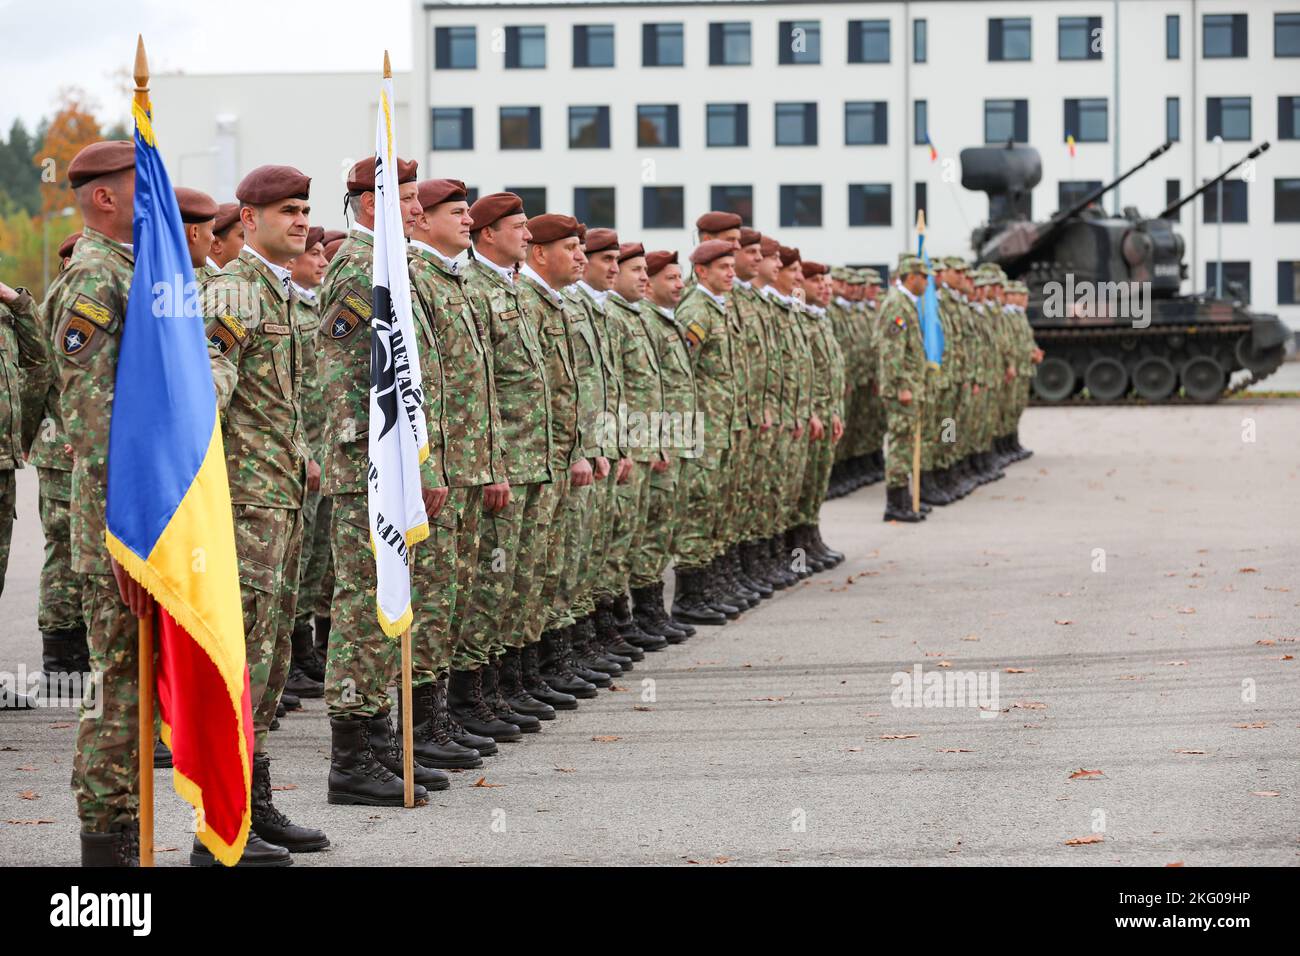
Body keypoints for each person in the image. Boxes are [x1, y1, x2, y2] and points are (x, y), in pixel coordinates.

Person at [196, 164, 328, 865]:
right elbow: (209, 390)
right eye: (286, 211)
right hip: (243, 505)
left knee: (269, 664)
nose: (301, 221)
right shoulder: (236, 292)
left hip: (280, 500)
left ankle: (253, 800)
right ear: (247, 220)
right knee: (238, 658)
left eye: (305, 209)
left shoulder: (278, 293)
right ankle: (219, 825)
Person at [316, 154, 448, 805]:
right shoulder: (355, 272)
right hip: (363, 473)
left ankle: (378, 742)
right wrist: (387, 466)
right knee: (361, 606)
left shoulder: (387, 268)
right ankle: (350, 756)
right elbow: (349, 388)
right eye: (408, 199)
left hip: (386, 471)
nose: (418, 210)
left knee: (380, 607)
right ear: (372, 204)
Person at [406, 178, 522, 743]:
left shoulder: (455, 281)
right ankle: (423, 723)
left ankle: (447, 710)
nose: (468, 220)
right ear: (422, 221)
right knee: (430, 595)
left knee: (458, 592)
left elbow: (484, 387)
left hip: (469, 466)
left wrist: (492, 461)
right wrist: (428, 468)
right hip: (439, 470)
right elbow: (414, 387)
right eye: (456, 212)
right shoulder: (413, 279)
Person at [460, 193, 573, 718]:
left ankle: (513, 678)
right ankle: (474, 694)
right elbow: (479, 391)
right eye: (518, 227)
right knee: (491, 579)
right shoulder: (476, 289)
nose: (527, 236)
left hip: (536, 459)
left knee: (525, 575)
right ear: (489, 234)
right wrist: (494, 465)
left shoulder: (510, 289)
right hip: (502, 463)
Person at [670, 239, 745, 624]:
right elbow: (682, 371)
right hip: (702, 427)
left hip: (721, 424)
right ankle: (689, 596)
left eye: (733, 266)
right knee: (698, 506)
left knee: (716, 506)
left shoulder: (719, 307)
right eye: (723, 268)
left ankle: (708, 585)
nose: (731, 273)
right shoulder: (697, 309)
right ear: (701, 271)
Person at [632, 250, 698, 637]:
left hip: (676, 436)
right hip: (647, 441)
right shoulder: (648, 322)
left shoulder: (664, 322)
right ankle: (643, 613)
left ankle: (654, 610)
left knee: (666, 524)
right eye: (669, 278)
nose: (679, 285)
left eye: (679, 278)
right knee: (647, 528)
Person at [877, 255, 932, 522]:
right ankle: (894, 504)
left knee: (907, 442)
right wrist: (901, 386)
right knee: (900, 443)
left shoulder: (907, 303)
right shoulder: (897, 305)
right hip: (903, 389)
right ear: (911, 277)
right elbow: (891, 350)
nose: (927, 282)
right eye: (924, 277)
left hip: (911, 385)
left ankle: (905, 500)